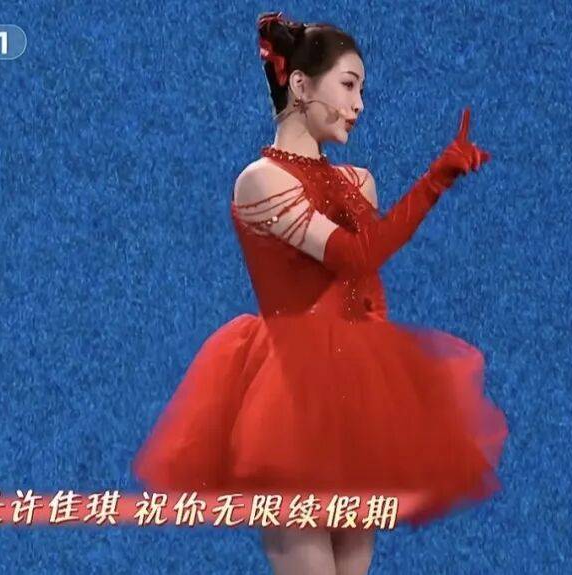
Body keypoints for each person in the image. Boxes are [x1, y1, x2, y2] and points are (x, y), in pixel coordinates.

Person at [132, 11, 509, 575]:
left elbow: (366, 281)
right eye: (349, 86)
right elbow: (355, 256)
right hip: (288, 397)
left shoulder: (359, 181)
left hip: (356, 392)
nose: (359, 105)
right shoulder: (261, 180)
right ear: (302, 86)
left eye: (362, 90)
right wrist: (435, 181)